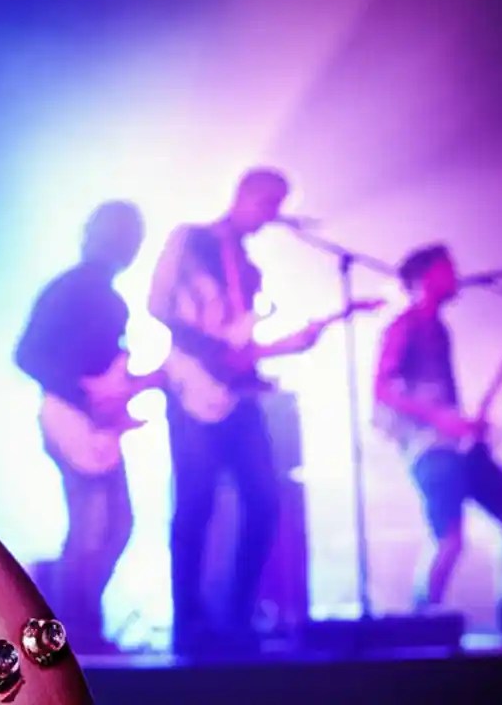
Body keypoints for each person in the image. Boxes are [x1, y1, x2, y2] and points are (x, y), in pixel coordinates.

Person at [147, 167, 324, 653]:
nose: (271, 215)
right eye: (267, 202)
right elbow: (158, 304)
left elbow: (242, 344)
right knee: (195, 504)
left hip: (237, 397)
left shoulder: (250, 271)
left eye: (277, 205)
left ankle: (237, 616)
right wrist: (213, 355)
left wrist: (282, 350)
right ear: (243, 195)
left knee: (265, 501)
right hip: (191, 388)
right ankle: (189, 621)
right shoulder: (191, 240)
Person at [372, 243, 502, 637]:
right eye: (448, 269)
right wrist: (439, 418)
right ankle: (422, 621)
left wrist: (462, 423)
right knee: (450, 539)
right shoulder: (403, 327)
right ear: (426, 278)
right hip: (428, 446)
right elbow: (382, 388)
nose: (456, 275)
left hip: (455, 443)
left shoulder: (439, 329)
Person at [14, 200, 146, 654]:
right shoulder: (69, 289)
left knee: (117, 526)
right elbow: (27, 354)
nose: (130, 244)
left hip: (97, 425)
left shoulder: (113, 300)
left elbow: (109, 370)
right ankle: (75, 632)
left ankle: (70, 610)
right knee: (92, 528)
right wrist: (83, 393)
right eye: (123, 233)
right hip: (69, 419)